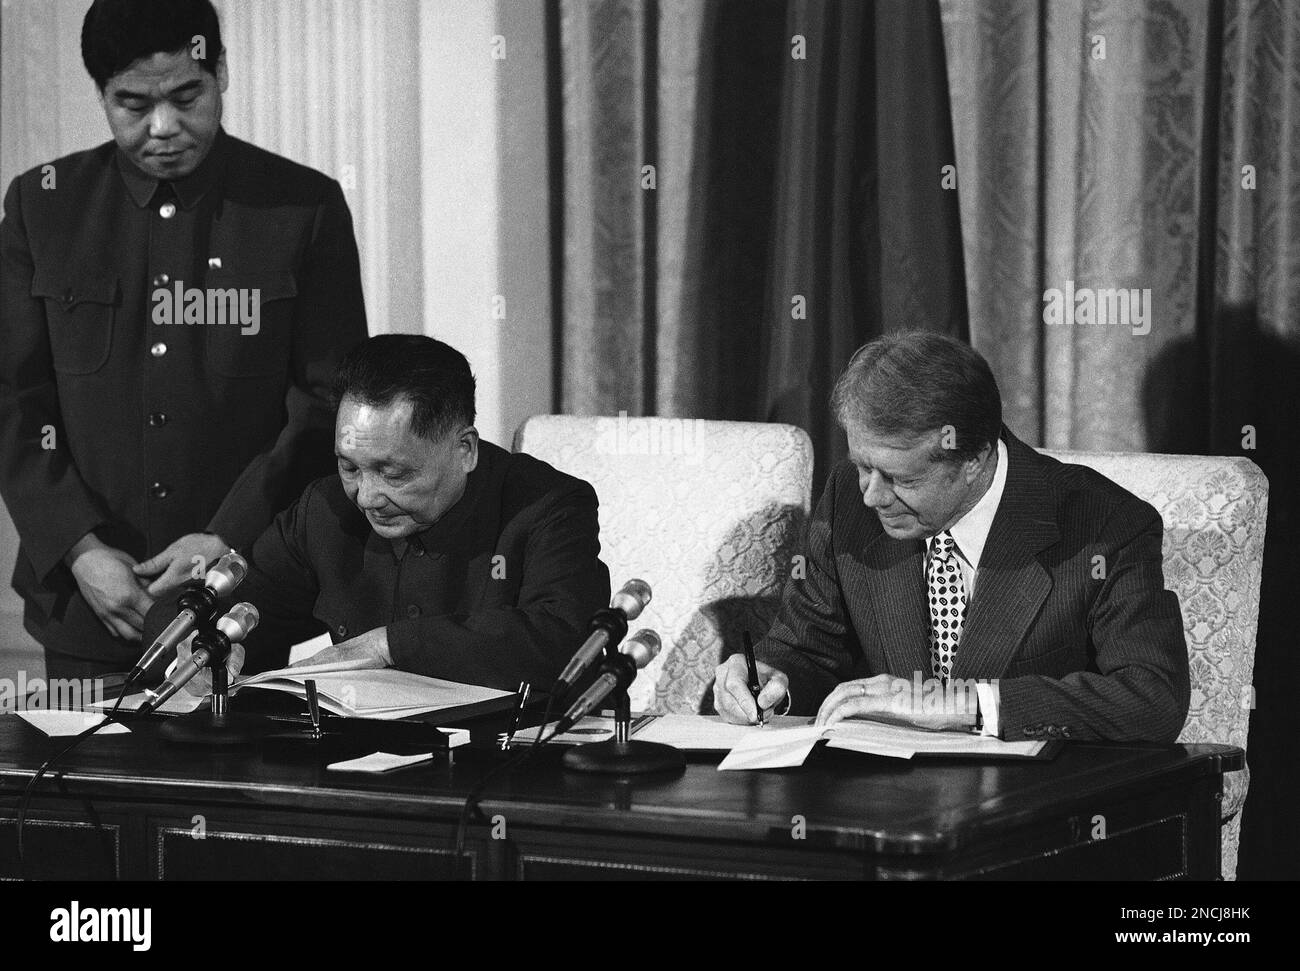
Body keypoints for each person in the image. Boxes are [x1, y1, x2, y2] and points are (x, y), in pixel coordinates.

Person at [0, 0, 367, 679]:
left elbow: (328, 400)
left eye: (186, 96)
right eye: (132, 104)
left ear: (220, 70)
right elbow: (14, 399)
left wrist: (229, 535)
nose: (163, 127)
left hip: (247, 591)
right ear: (102, 95)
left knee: (227, 783)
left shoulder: (302, 206)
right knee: (86, 786)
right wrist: (81, 549)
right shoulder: (40, 204)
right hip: (87, 599)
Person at [714, 331, 1190, 742]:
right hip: (887, 813)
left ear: (974, 459)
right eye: (863, 467)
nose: (870, 496)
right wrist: (770, 681)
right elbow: (807, 650)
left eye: (902, 479)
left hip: (1028, 816)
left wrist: (967, 704)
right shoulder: (846, 500)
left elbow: (1152, 699)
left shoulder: (1103, 527)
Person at [148, 335, 611, 691]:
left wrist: (387, 646)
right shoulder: (325, 510)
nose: (366, 496)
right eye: (349, 467)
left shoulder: (548, 505)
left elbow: (564, 639)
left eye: (393, 473)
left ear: (464, 449)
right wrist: (203, 649)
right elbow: (208, 607)